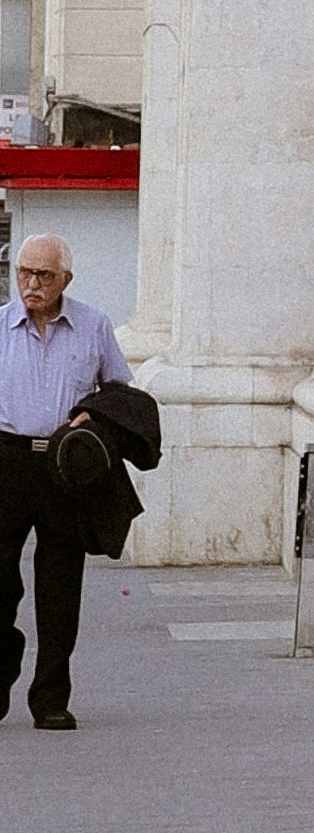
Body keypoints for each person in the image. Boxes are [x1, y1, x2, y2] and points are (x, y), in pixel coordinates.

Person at [0, 231, 134, 729]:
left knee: (59, 587)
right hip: (6, 461)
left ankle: (51, 699)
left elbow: (121, 392)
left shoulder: (93, 325)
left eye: (44, 276)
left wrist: (92, 417)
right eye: (25, 273)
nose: (32, 284)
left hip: (63, 468)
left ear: (66, 280)